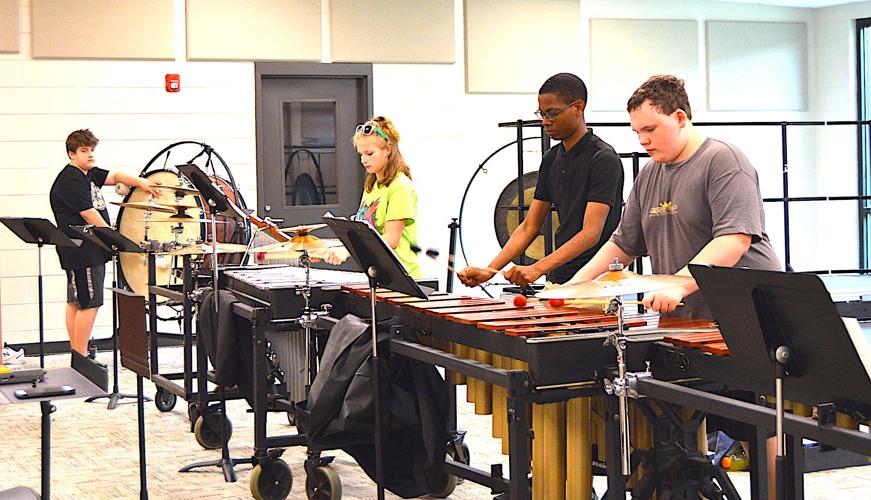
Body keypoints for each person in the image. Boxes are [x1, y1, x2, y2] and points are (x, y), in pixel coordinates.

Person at [565, 74, 781, 319]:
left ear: (679, 118)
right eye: (637, 132)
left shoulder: (723, 161)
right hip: (684, 318)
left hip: (745, 316)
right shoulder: (649, 174)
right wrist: (572, 288)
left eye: (650, 129)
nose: (642, 140)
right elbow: (623, 245)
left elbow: (733, 239)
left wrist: (677, 285)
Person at [458, 73, 624, 288]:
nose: (546, 121)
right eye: (542, 113)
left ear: (578, 108)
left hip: (597, 281)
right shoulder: (552, 158)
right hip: (559, 278)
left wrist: (537, 267)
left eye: (553, 114)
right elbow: (529, 226)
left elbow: (591, 233)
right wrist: (490, 270)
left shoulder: (603, 159)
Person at [49, 129, 160, 355]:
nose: (90, 155)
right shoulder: (71, 179)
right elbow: (89, 214)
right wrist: (112, 237)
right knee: (90, 303)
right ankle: (81, 357)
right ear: (71, 154)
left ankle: (77, 353)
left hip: (79, 248)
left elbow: (116, 176)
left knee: (76, 301)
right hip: (84, 249)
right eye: (84, 151)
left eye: (91, 150)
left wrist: (142, 182)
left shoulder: (87, 173)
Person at [325, 116, 421, 277]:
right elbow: (364, 235)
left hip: (404, 276)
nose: (363, 160)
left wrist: (347, 251)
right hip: (378, 275)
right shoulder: (372, 186)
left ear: (388, 150)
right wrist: (327, 249)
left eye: (369, 153)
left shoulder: (400, 187)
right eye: (361, 154)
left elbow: (391, 239)